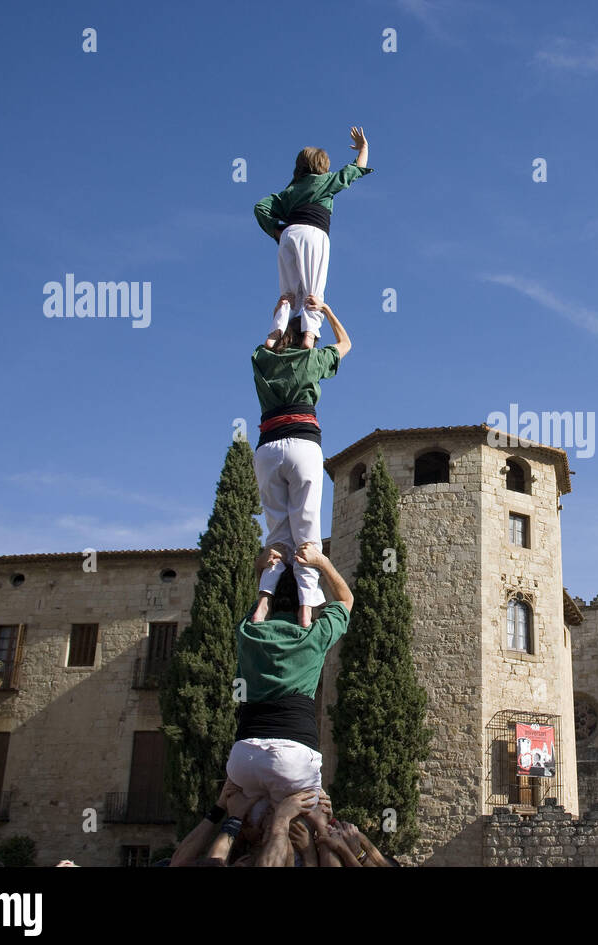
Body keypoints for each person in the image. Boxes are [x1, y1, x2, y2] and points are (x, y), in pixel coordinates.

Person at [226, 549, 352, 824]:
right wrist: (323, 563)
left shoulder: (248, 632)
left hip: (244, 756)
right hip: (293, 757)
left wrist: (263, 568)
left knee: (250, 834)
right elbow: (345, 599)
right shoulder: (313, 637)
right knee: (307, 834)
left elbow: (261, 607)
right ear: (304, 603)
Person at [252, 292, 351, 626]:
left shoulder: (263, 358)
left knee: (277, 535)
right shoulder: (313, 359)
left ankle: (263, 603)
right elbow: (346, 344)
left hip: (267, 449)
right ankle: (306, 610)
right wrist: (326, 310)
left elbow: (269, 340)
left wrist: (279, 313)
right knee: (307, 533)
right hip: (302, 445)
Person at [255, 127, 372, 347]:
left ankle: (275, 333)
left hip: (289, 235)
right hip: (313, 234)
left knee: (288, 294)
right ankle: (309, 334)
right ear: (322, 167)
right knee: (313, 291)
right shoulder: (326, 181)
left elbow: (260, 207)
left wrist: (276, 230)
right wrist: (363, 148)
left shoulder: (289, 191)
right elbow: (356, 169)